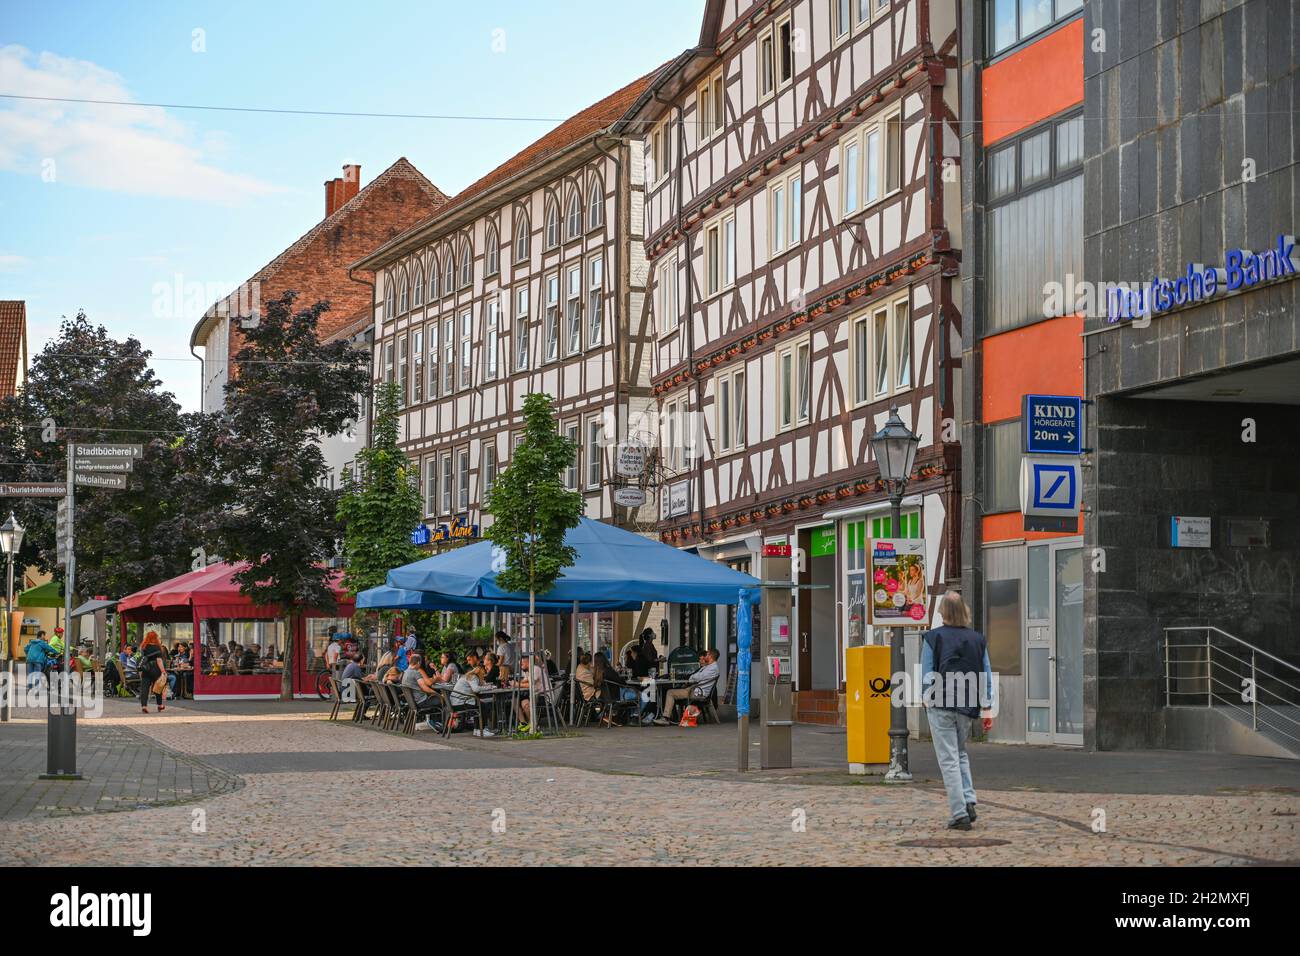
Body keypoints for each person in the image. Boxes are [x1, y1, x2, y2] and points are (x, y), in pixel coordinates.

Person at [921, 591, 995, 831]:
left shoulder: (933, 638)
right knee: (960, 753)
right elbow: (985, 673)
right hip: (967, 703)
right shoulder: (978, 639)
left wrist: (925, 696)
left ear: (942, 611)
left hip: (940, 702)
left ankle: (959, 812)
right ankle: (969, 799)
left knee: (948, 759)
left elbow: (927, 674)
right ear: (964, 610)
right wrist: (987, 706)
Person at [655, 648, 720, 725]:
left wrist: (692, 678)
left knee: (670, 692)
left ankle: (666, 718)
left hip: (698, 692)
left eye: (707, 654)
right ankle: (672, 718)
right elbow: (696, 676)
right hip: (695, 689)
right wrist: (692, 678)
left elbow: (697, 677)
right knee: (673, 690)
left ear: (710, 656)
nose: (705, 656)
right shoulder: (709, 666)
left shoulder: (713, 668)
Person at [400, 653, 442, 730]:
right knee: (443, 700)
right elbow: (424, 687)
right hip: (421, 702)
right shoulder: (415, 673)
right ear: (419, 662)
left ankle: (434, 722)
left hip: (413, 702)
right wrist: (437, 694)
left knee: (438, 698)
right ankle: (440, 725)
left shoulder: (405, 672)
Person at [450, 665, 493, 736]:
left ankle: (477, 730)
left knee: (479, 704)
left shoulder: (468, 676)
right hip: (461, 703)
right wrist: (488, 687)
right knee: (482, 705)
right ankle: (481, 730)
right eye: (483, 674)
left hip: (456, 702)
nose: (484, 676)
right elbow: (475, 689)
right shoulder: (474, 677)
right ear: (481, 672)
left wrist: (483, 685)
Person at [515, 652, 553, 731]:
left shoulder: (535, 669)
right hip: (536, 695)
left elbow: (530, 684)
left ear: (527, 662)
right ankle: (524, 723)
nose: (520, 666)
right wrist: (514, 683)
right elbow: (524, 681)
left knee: (525, 703)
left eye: (522, 664)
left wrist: (516, 684)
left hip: (545, 697)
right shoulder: (528, 671)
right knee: (514, 700)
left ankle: (533, 724)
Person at [138, 630, 168, 713]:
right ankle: (160, 705)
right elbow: (159, 660)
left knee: (145, 688)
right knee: (158, 687)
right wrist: (163, 671)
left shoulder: (144, 647)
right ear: (155, 638)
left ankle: (144, 706)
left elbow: (142, 659)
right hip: (155, 669)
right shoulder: (158, 647)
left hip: (146, 668)